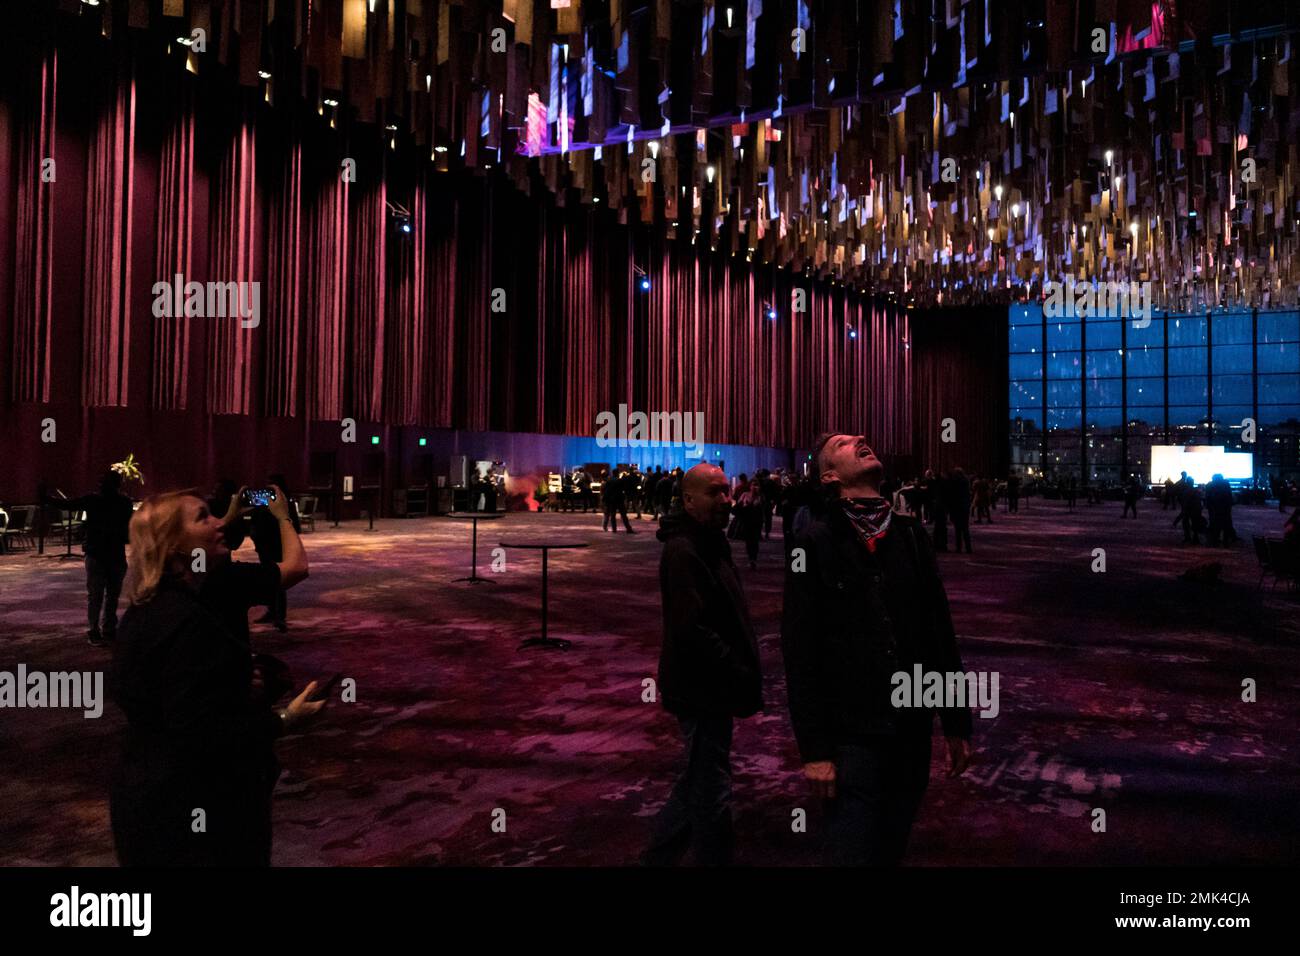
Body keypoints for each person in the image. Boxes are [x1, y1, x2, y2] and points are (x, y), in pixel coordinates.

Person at [782, 433, 972, 866]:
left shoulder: (911, 536)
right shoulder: (812, 544)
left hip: (911, 730)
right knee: (852, 853)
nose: (862, 440)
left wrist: (957, 720)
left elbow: (939, 631)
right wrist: (814, 751)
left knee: (891, 850)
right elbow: (800, 651)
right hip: (852, 736)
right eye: (846, 444)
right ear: (829, 475)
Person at [109, 487, 323, 866]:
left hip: (144, 794)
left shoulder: (144, 611)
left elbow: (164, 697)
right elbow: (200, 734)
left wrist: (236, 684)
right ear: (175, 546)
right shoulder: (187, 622)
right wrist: (286, 719)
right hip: (197, 809)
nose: (220, 522)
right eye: (203, 517)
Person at [642, 463, 761, 866]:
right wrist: (737, 669)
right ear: (688, 500)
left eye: (727, 491)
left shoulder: (708, 541)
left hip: (711, 686)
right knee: (709, 788)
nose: (726, 500)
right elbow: (692, 630)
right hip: (701, 688)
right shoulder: (685, 550)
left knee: (700, 780)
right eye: (715, 493)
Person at [41, 471, 135, 646]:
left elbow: (67, 505)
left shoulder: (93, 500)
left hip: (96, 553)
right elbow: (128, 527)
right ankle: (108, 629)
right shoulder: (125, 502)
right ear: (119, 484)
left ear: (101, 484)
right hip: (115, 553)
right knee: (111, 595)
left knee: (95, 595)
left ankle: (94, 630)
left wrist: (46, 498)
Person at [249, 475, 301, 633]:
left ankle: (279, 616)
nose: (268, 488)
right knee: (269, 580)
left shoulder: (284, 503)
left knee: (279, 580)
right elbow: (255, 520)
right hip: (264, 545)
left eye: (271, 484)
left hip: (277, 546)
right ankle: (272, 612)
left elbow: (294, 525)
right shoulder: (263, 502)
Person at [733, 479, 766, 570]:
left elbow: (763, 509)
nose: (755, 487)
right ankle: (750, 558)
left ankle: (753, 559)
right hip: (747, 521)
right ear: (750, 486)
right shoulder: (745, 495)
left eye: (756, 485)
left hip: (756, 521)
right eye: (753, 485)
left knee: (755, 541)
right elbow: (737, 507)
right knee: (748, 540)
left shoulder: (761, 496)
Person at [1204, 474, 1237, 546]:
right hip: (1224, 508)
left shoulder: (1209, 485)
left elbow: (1207, 497)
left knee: (1215, 525)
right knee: (1226, 524)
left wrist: (1208, 506)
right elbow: (1229, 496)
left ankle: (1215, 540)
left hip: (1214, 509)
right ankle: (1225, 541)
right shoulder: (1225, 484)